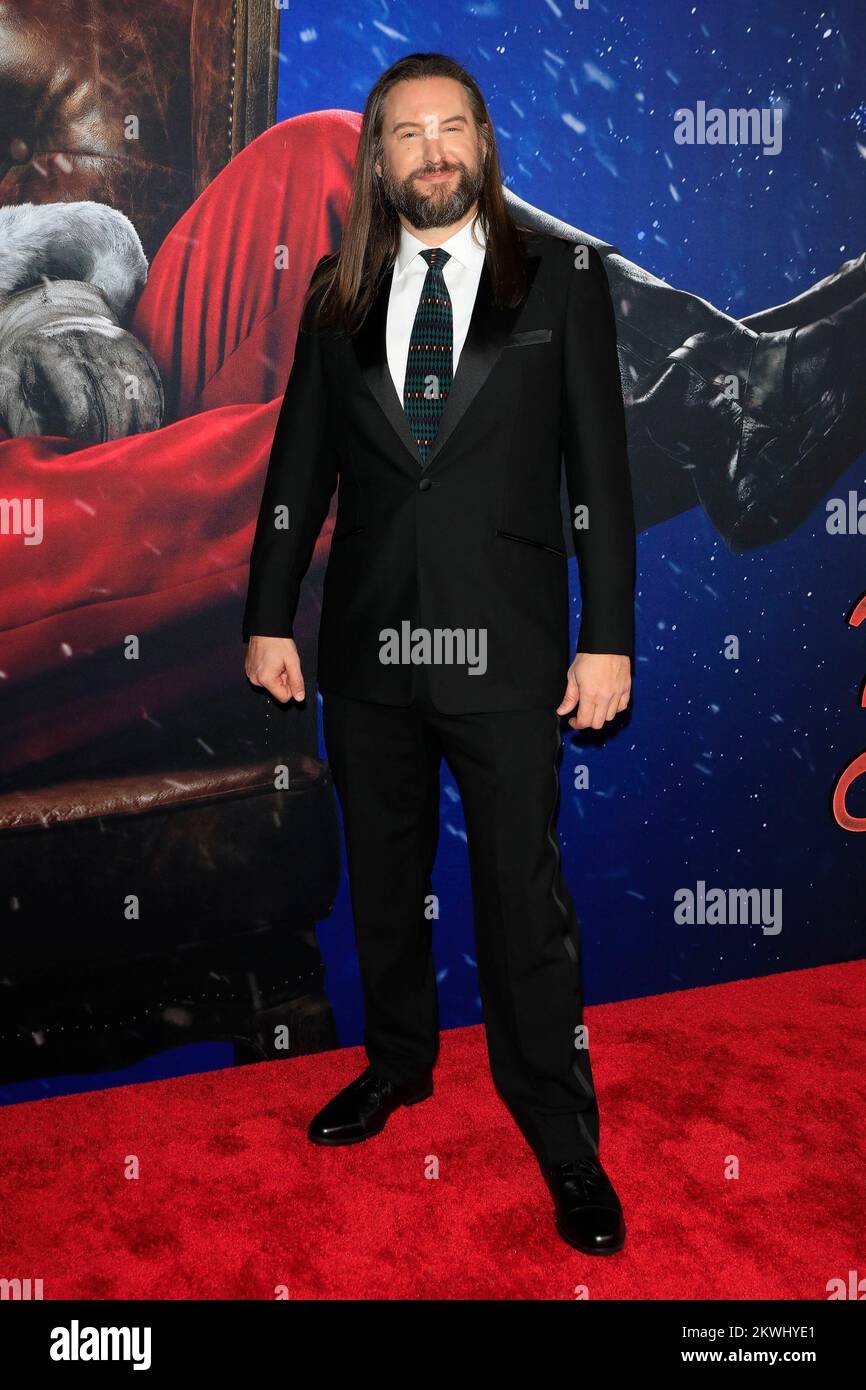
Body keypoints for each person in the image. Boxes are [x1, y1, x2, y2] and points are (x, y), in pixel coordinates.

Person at [243, 51, 636, 1256]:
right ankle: (397, 1067)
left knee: (525, 906)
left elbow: (599, 480)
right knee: (383, 885)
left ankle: (562, 1139)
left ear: (481, 142)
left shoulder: (560, 279)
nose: (430, 151)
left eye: (450, 127)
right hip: (365, 654)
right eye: (405, 133)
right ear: (377, 156)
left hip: (509, 652)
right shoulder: (335, 289)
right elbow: (295, 472)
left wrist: (605, 637)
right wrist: (266, 615)